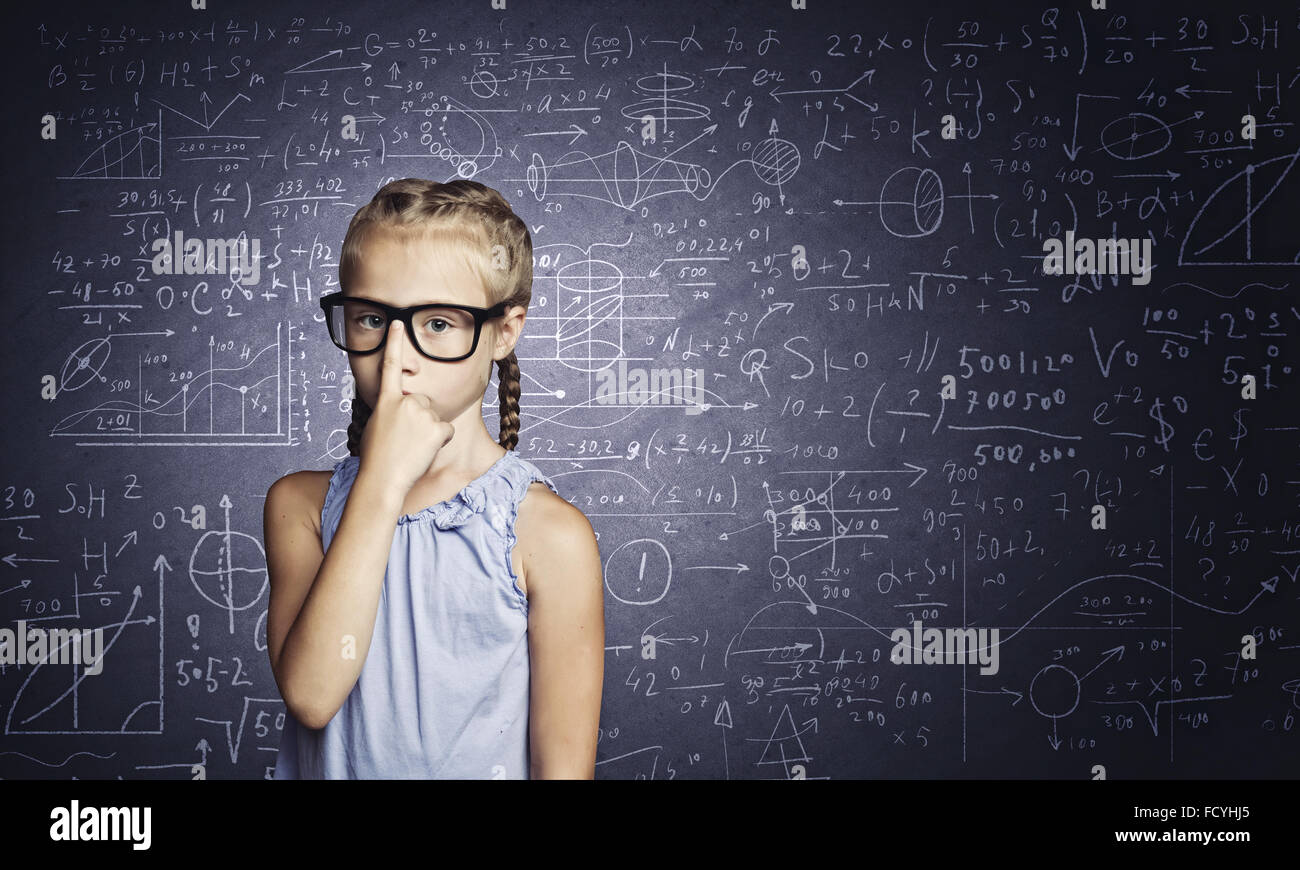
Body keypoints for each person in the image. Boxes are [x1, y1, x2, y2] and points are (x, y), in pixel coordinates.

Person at [263, 179, 604, 778]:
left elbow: (564, 769)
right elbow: (313, 697)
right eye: (371, 318)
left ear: (504, 330)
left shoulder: (549, 536)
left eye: (439, 323)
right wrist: (383, 480)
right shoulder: (300, 507)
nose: (396, 356)